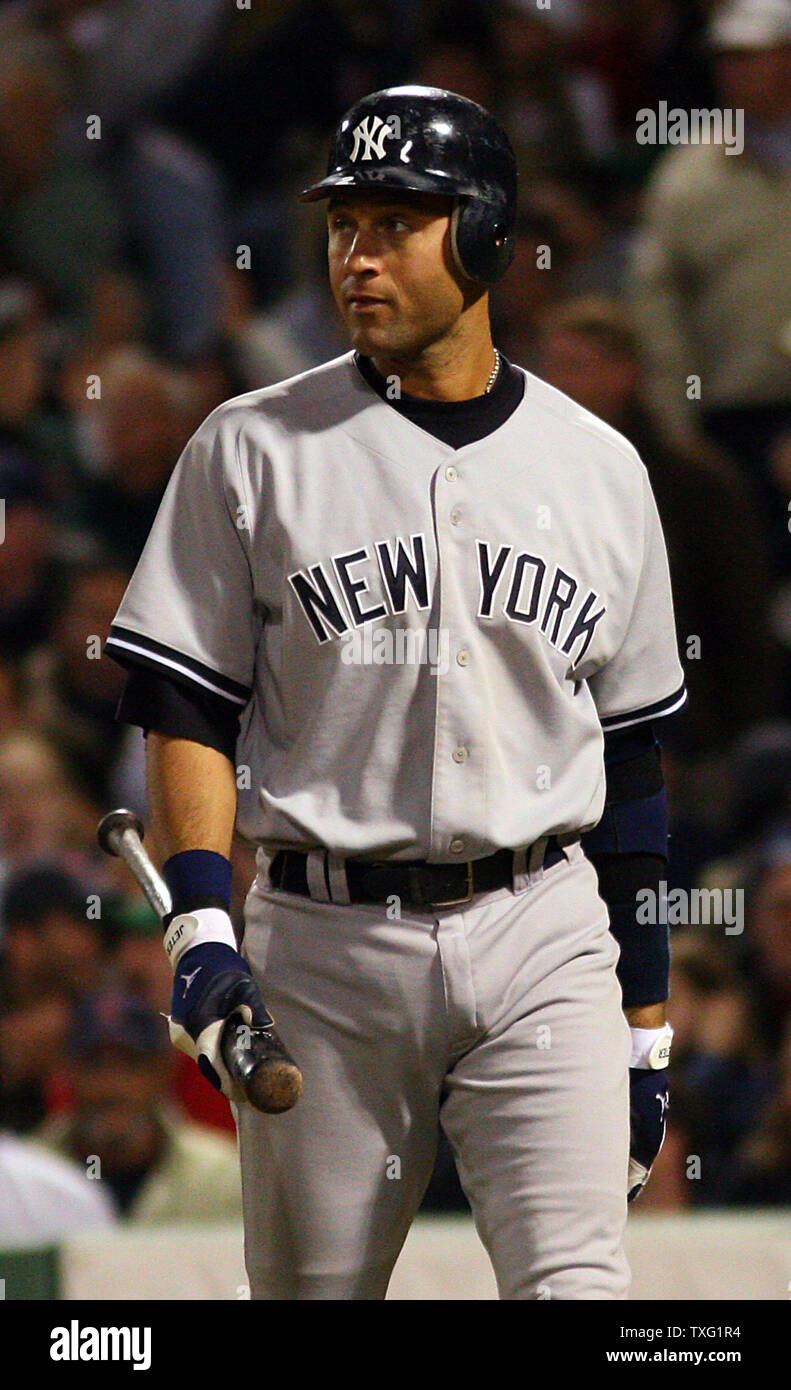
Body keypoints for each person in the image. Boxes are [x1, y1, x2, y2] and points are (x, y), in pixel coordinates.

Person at [107, 87, 685, 1300]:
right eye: (341, 226)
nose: (356, 257)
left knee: (578, 1286)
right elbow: (186, 706)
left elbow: (632, 763)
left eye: (394, 225)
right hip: (323, 941)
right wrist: (203, 923)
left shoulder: (599, 467)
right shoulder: (249, 445)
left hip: (541, 926)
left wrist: (641, 1014)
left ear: (479, 236)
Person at [36, 989, 242, 1224]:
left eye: (131, 1064)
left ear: (163, 1072)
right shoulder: (27, 1173)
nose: (111, 1087)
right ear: (67, 1072)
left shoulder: (220, 1175)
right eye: (94, 1065)